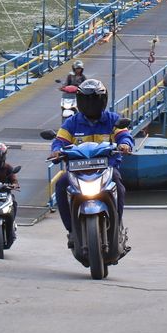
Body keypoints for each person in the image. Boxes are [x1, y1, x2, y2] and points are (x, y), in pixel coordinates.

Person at [49, 79, 134, 240]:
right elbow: (59, 141)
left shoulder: (113, 119)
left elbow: (124, 135)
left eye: (94, 100)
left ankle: (116, 227)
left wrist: (124, 145)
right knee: (60, 185)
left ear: (102, 100)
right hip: (77, 171)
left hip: (107, 169)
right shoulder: (71, 123)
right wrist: (55, 152)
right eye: (86, 100)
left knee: (119, 185)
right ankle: (71, 231)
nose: (90, 104)